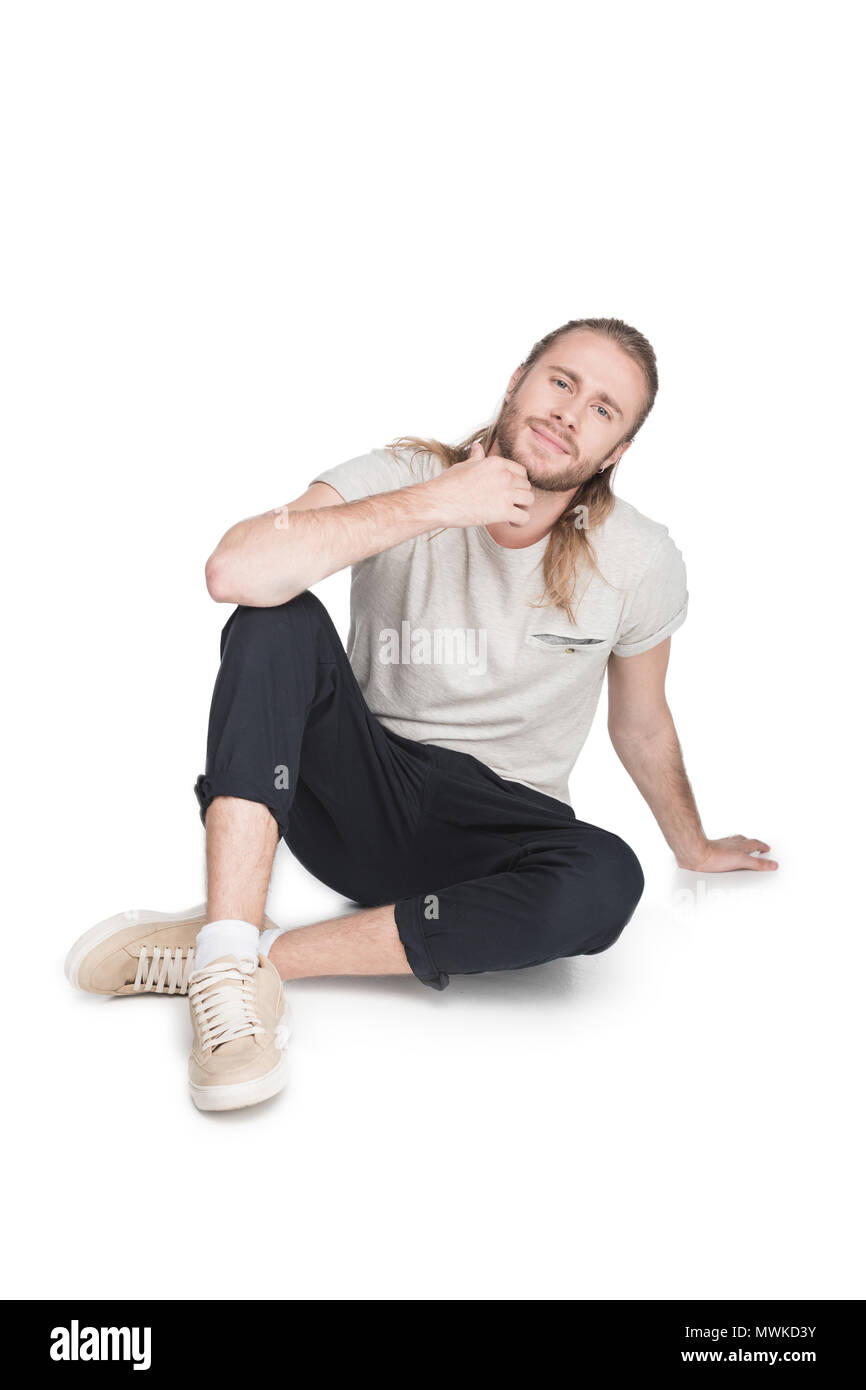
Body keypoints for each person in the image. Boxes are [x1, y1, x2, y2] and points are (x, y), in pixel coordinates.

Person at [64, 316, 777, 1112]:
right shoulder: (406, 473)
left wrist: (694, 843)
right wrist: (438, 501)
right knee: (276, 615)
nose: (571, 413)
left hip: (499, 830)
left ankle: (240, 954)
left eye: (604, 411)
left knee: (610, 880)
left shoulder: (641, 559)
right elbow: (235, 569)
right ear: (517, 383)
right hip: (366, 793)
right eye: (562, 382)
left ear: (614, 454)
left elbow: (641, 722)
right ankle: (232, 975)